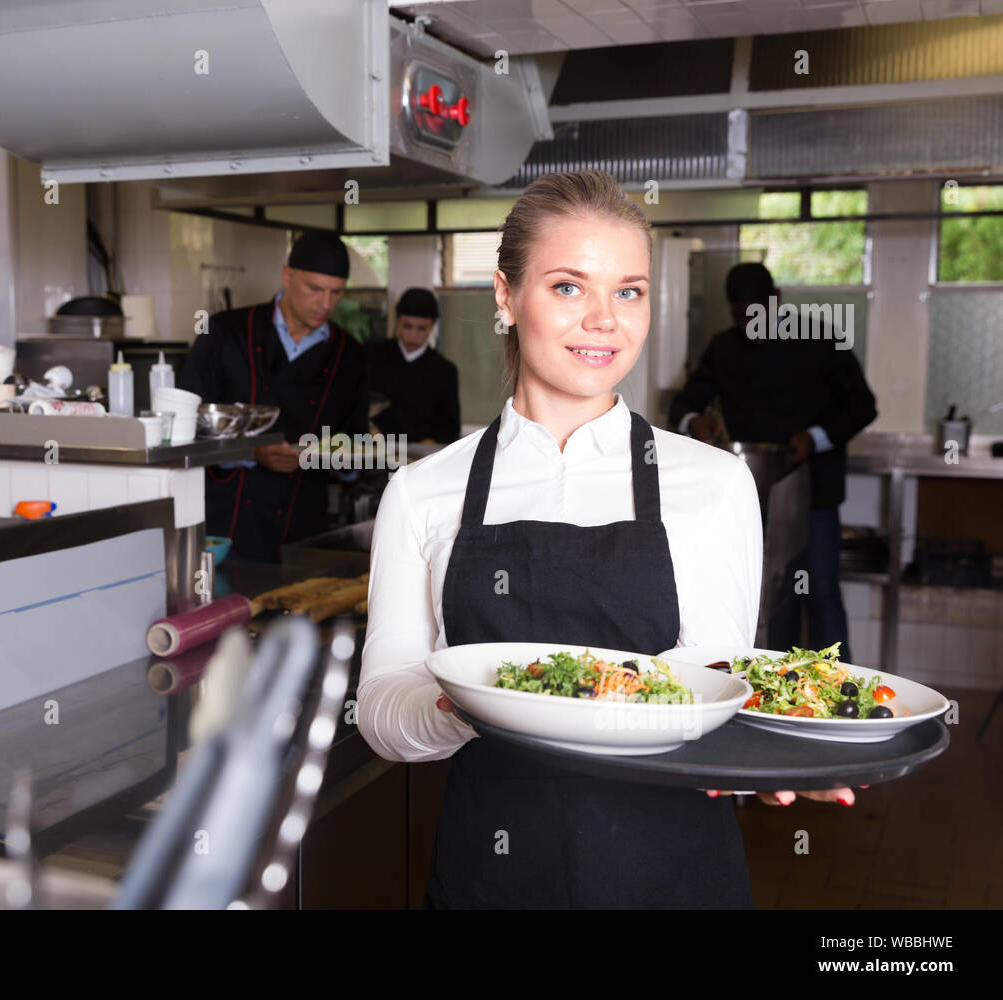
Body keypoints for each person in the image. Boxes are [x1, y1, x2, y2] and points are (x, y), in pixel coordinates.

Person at [358, 171, 854, 910]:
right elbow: (378, 709)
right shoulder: (424, 490)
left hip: (671, 865)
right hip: (495, 866)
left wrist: (775, 744)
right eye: (567, 287)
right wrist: (468, 702)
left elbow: (716, 676)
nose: (604, 320)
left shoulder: (713, 483)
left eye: (628, 291)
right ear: (504, 296)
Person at [668, 262, 878, 651]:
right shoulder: (724, 348)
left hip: (811, 494)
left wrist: (815, 438)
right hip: (747, 499)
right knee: (760, 601)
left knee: (820, 596)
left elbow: (862, 405)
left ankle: (838, 695)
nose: (748, 323)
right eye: (739, 314)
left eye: (755, 313)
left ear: (775, 299)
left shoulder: (818, 340)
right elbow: (684, 403)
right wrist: (692, 419)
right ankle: (765, 694)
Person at [179, 231, 368, 562]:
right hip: (227, 527)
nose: (326, 304)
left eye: (336, 293)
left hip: (304, 531)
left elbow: (354, 441)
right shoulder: (225, 332)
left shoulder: (349, 354)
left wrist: (340, 457)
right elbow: (185, 426)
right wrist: (252, 451)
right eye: (315, 289)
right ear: (287, 276)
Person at [367, 288, 460, 443]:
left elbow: (451, 428)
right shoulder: (373, 357)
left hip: (418, 458)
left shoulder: (444, 371)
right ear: (397, 320)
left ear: (432, 326)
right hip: (373, 451)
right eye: (407, 326)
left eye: (421, 328)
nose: (413, 335)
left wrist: (431, 441)